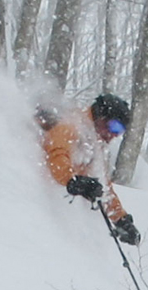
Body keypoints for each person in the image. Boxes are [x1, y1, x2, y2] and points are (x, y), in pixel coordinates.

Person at [38, 93, 141, 246]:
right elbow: (57, 156)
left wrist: (121, 220)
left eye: (119, 132)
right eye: (114, 126)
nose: (114, 135)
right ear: (101, 117)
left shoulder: (94, 142)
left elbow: (103, 186)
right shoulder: (71, 125)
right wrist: (73, 180)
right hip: (39, 205)